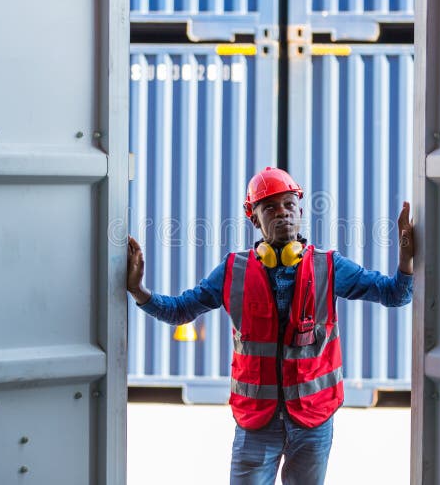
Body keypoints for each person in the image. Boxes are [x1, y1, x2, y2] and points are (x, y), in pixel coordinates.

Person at [126, 166, 414, 485]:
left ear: (300, 212)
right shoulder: (233, 271)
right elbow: (180, 310)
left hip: (313, 421)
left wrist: (405, 259)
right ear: (254, 218)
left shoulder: (330, 266)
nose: (282, 213)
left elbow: (394, 294)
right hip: (257, 423)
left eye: (289, 205)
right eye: (270, 207)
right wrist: (139, 290)